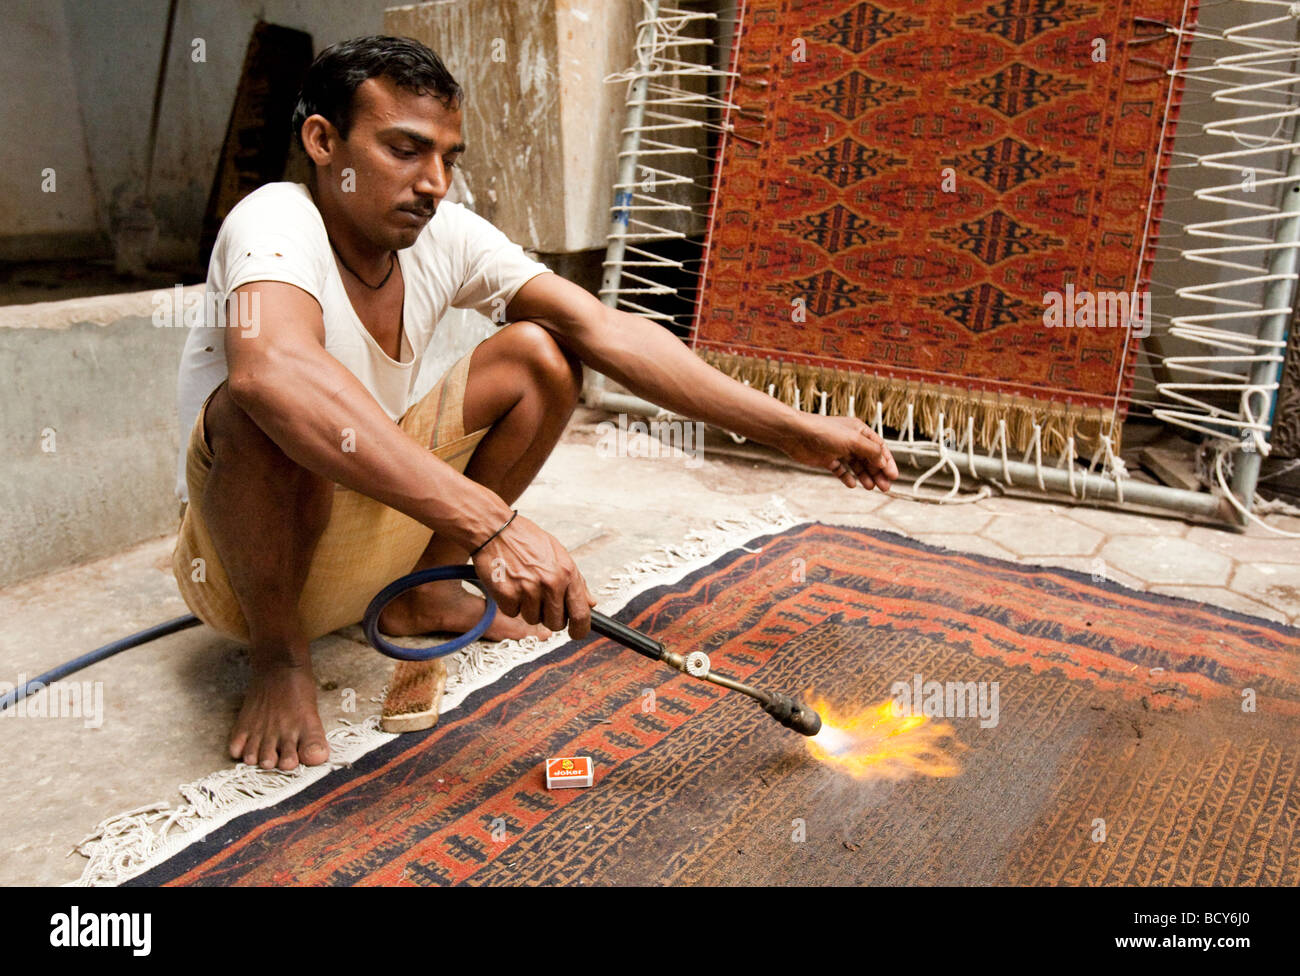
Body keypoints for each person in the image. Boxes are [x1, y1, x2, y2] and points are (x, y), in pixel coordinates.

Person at [172, 35, 897, 773]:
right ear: (324, 141)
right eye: (405, 149)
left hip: (360, 515)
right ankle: (280, 656)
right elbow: (272, 374)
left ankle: (420, 596)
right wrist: (494, 525)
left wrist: (793, 430)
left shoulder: (442, 235)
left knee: (541, 355)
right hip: (246, 565)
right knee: (256, 408)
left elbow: (602, 326)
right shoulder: (274, 220)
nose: (434, 183)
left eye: (449, 158)